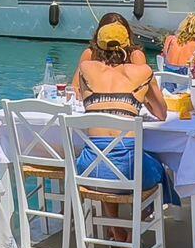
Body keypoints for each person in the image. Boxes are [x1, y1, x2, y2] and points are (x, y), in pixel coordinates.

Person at [71, 15, 179, 210]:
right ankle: (133, 231)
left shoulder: (85, 69)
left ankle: (117, 229)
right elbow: (161, 113)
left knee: (103, 161)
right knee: (160, 171)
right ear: (128, 42)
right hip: (128, 168)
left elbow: (77, 92)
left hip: (88, 172)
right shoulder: (142, 71)